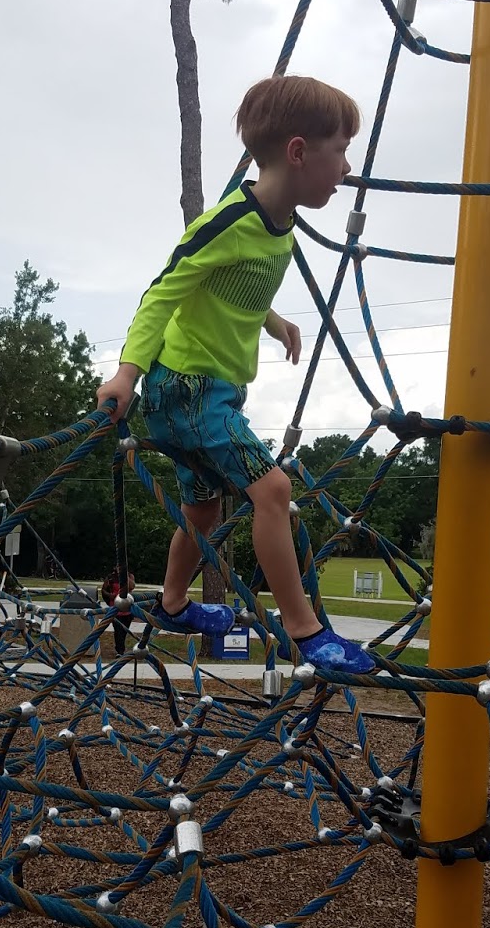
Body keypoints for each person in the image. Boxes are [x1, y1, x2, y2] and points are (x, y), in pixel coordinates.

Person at [95, 75, 375, 678]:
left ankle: (172, 605)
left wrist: (272, 320)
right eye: (340, 151)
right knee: (272, 491)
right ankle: (305, 630)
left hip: (213, 392)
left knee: (202, 511)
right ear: (298, 152)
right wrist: (126, 374)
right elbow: (163, 293)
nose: (347, 168)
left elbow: (233, 284)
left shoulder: (282, 224)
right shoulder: (228, 222)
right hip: (185, 391)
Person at [99, 566, 137, 656]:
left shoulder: (129, 576)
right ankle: (120, 651)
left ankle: (121, 648)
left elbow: (132, 587)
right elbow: (103, 590)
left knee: (124, 631)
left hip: (127, 609)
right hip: (115, 609)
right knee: (118, 630)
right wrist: (110, 595)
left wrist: (125, 576)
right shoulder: (110, 578)